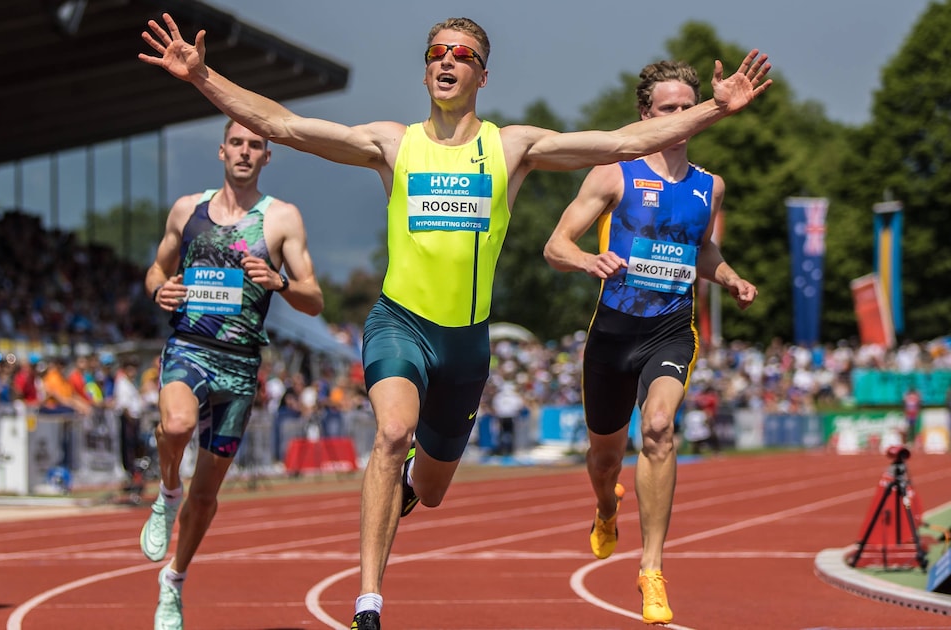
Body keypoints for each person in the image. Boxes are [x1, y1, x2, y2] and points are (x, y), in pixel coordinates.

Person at [139, 15, 770, 629]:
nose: (447, 60)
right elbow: (283, 124)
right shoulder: (393, 143)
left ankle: (417, 481)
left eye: (462, 54)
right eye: (437, 52)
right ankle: (368, 603)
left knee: (433, 489)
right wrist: (202, 77)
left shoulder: (511, 147)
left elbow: (625, 143)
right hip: (399, 322)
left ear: (482, 75)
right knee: (391, 433)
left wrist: (715, 110)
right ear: (425, 72)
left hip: (465, 344)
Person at [543, 60, 760, 624]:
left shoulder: (709, 186)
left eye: (688, 107)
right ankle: (604, 506)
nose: (680, 117)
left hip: (670, 328)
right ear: (646, 115)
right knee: (604, 459)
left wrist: (730, 277)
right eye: (668, 108)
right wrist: (587, 260)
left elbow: (701, 249)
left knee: (660, 428)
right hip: (613, 333)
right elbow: (555, 245)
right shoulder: (613, 174)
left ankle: (651, 569)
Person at [137, 118, 324, 630]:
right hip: (189, 346)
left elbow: (314, 298)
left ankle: (174, 581)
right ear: (221, 151)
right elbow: (157, 268)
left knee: (206, 494)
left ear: (267, 156)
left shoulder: (281, 218)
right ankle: (166, 494)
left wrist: (280, 283)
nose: (245, 151)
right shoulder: (187, 209)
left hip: (240, 365)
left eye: (255, 145)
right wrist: (159, 290)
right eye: (237, 143)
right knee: (176, 426)